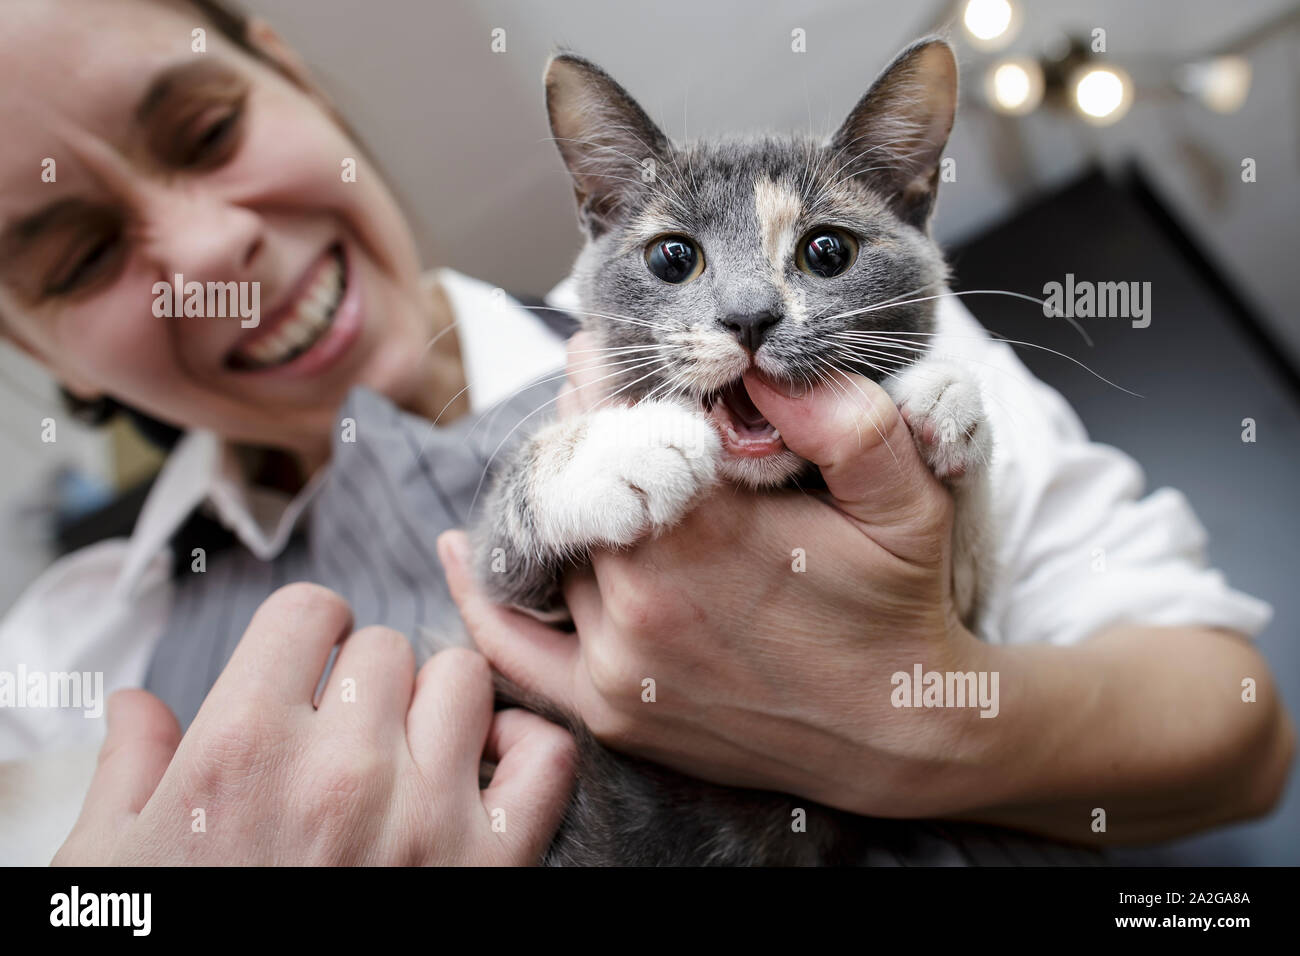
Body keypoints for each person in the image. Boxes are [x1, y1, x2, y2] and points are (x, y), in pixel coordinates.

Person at [0, 0, 1291, 866]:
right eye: (79, 256)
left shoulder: (869, 350)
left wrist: (910, 720)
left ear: (286, 71)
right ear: (26, 347)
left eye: (208, 130)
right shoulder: (66, 657)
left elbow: (1242, 726)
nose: (209, 247)